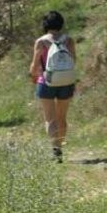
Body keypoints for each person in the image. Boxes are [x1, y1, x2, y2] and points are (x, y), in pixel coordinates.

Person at [29, 10, 76, 162]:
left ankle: (55, 149)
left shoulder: (41, 42)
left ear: (45, 25)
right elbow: (73, 60)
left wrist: (33, 76)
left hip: (46, 81)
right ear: (61, 24)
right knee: (62, 117)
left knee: (50, 119)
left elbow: (34, 65)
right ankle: (60, 145)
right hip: (66, 81)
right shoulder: (69, 41)